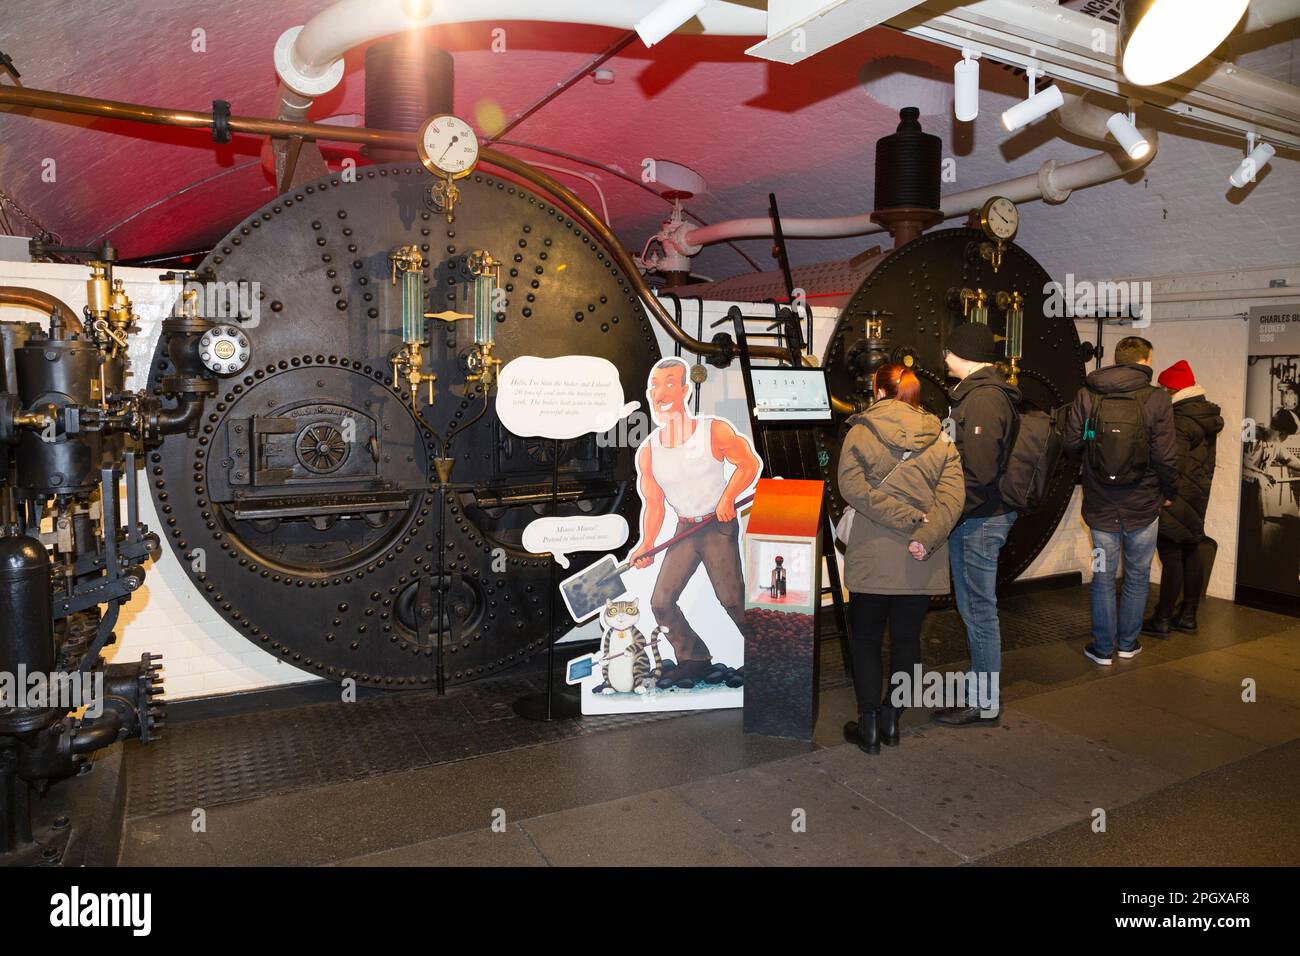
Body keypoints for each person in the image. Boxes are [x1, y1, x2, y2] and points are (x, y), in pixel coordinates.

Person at [837, 363, 964, 754]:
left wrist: (900, 516)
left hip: (873, 554)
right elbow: (953, 499)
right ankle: (893, 718)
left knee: (866, 640)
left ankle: (869, 726)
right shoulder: (943, 438)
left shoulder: (861, 430)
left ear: (878, 391)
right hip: (919, 558)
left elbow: (850, 487)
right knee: (907, 640)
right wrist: (923, 533)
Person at [628, 357, 762, 688]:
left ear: (685, 390)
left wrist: (728, 497)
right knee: (661, 602)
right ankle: (694, 658)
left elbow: (748, 464)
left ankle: (767, 655)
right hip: (685, 529)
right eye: (655, 386)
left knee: (731, 598)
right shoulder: (650, 450)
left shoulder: (712, 430)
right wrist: (647, 544)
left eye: (670, 383)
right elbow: (655, 503)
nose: (660, 393)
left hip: (716, 525)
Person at [1063, 336, 1178, 666]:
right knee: (1137, 576)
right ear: (1145, 361)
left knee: (1102, 576)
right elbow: (1167, 457)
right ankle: (1127, 644)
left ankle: (1102, 649)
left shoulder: (1087, 394)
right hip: (1143, 506)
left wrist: (1091, 440)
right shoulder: (1157, 399)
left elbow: (1071, 443)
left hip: (1100, 506)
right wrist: (1169, 493)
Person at [933, 323, 1020, 727]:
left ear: (964, 353)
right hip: (979, 517)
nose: (944, 357)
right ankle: (980, 692)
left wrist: (949, 512)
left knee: (979, 613)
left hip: (978, 520)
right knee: (977, 610)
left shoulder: (983, 400)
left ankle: (983, 701)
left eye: (949, 350)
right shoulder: (976, 395)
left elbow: (980, 471)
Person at [1143, 360, 1223, 637]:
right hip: (1197, 495)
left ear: (1171, 389)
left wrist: (1165, 494)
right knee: (1191, 550)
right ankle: (1188, 616)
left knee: (1171, 555)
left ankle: (1163, 617)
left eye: (1163, 390)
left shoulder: (1179, 419)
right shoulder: (1203, 414)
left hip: (1175, 497)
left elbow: (1171, 463)